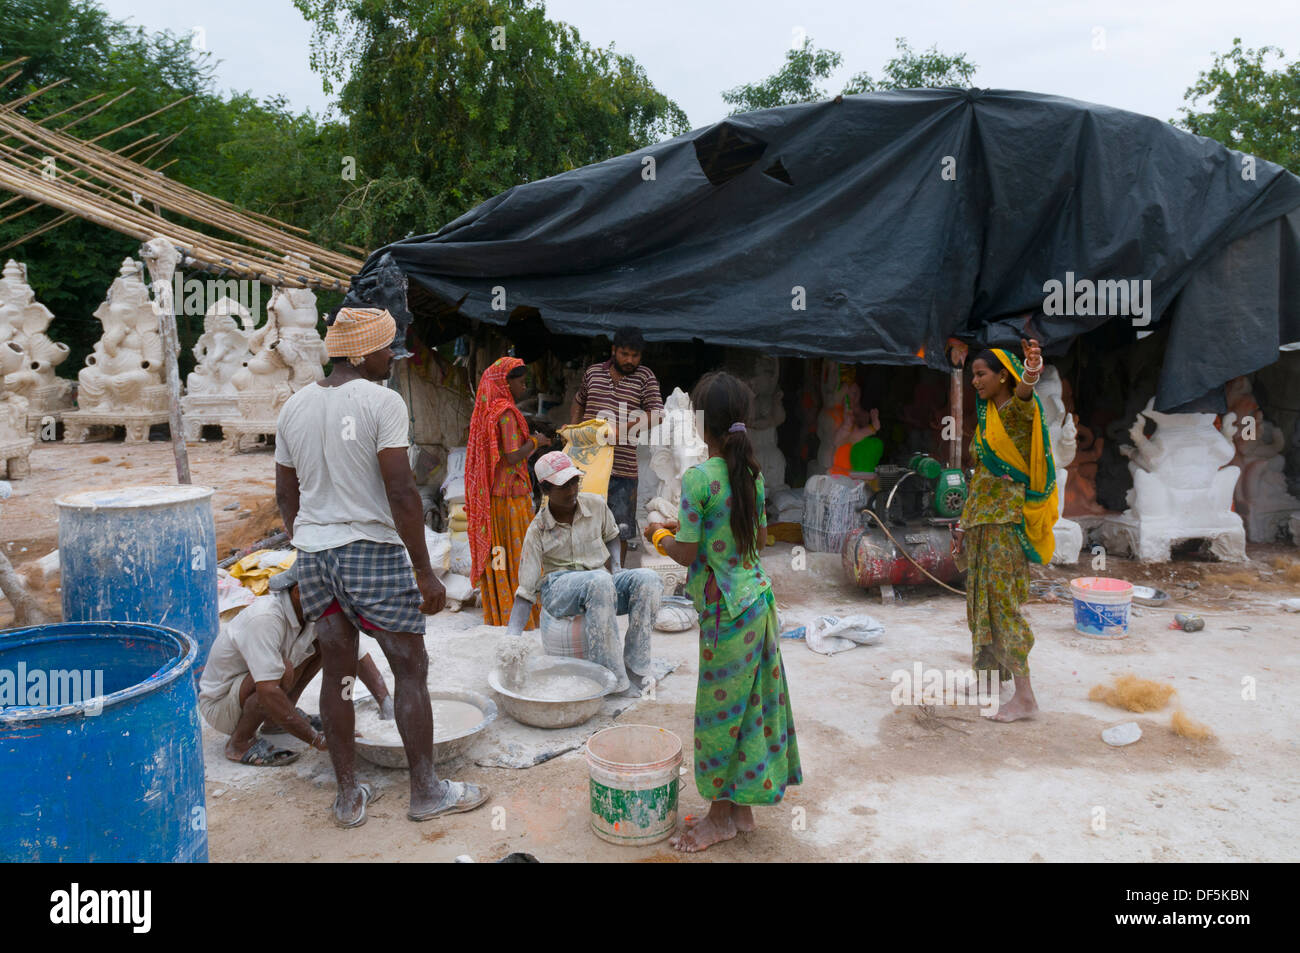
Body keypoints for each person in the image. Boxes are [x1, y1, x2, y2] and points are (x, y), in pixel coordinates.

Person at [275, 306, 488, 827]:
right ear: (361, 353)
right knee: (410, 668)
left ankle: (348, 796)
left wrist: (309, 537)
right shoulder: (382, 402)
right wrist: (424, 570)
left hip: (316, 556)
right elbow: (400, 490)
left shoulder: (294, 406)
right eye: (386, 350)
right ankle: (426, 791)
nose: (393, 359)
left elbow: (286, 493)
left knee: (339, 673)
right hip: (370, 550)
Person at [644, 370, 802, 853]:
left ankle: (718, 817)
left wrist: (658, 534)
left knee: (718, 715)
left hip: (725, 613)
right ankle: (743, 809)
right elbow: (743, 536)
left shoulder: (697, 479)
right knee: (751, 706)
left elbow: (689, 554)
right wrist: (687, 528)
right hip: (756, 602)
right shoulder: (749, 471)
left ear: (699, 423)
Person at [951, 338, 1057, 723]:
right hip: (983, 523)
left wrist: (1030, 371)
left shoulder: (1015, 413)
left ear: (1002, 377)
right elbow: (979, 481)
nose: (975, 382)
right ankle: (991, 678)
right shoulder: (986, 420)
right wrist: (963, 524)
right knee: (981, 602)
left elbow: (1026, 394)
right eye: (972, 375)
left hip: (1006, 525)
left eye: (981, 375)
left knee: (1003, 607)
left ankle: (1026, 698)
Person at [198, 566, 393, 765]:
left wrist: (386, 703)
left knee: (326, 643)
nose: (333, 604)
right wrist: (317, 740)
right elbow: (268, 691)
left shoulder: (311, 612)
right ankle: (240, 743)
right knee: (280, 670)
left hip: (253, 688)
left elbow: (353, 652)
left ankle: (275, 721)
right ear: (299, 592)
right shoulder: (265, 618)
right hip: (221, 706)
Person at [507, 450, 660, 695]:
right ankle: (610, 678)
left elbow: (611, 536)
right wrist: (512, 636)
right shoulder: (537, 530)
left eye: (573, 482)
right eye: (562, 486)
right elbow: (526, 591)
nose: (571, 491)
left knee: (648, 579)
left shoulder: (596, 505)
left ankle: (637, 666)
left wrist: (618, 568)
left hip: (600, 582)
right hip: (560, 589)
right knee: (599, 580)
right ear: (545, 489)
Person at [466, 357, 550, 628]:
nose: (523, 384)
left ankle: (501, 611)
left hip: (494, 498)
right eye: (519, 380)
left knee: (499, 553)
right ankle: (520, 617)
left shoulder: (489, 411)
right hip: (511, 500)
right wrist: (538, 441)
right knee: (519, 556)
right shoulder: (507, 414)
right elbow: (514, 456)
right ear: (505, 383)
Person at [570, 327, 664, 561]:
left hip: (623, 469)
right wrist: (572, 430)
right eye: (624, 354)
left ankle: (616, 579)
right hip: (587, 465)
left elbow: (658, 414)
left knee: (619, 531)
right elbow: (578, 401)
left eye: (635, 356)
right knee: (583, 526)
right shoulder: (593, 373)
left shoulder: (645, 377)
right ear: (613, 351)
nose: (630, 360)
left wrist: (623, 429)